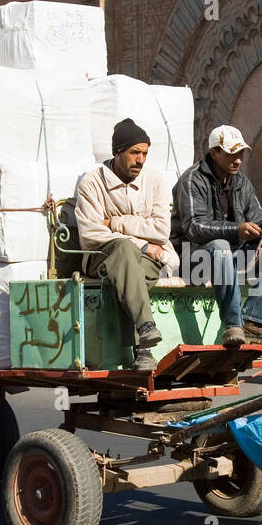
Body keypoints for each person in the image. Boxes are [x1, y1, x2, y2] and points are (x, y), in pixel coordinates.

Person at [172, 125, 262, 348]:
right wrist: (236, 230)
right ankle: (233, 324)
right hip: (193, 260)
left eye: (240, 154)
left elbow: (257, 220)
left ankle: (254, 321)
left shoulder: (241, 182)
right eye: (231, 154)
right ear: (214, 152)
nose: (238, 160)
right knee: (220, 246)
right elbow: (194, 227)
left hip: (230, 257)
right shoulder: (192, 179)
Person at [74, 119, 179, 372]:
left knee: (126, 267)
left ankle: (143, 349)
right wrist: (141, 245)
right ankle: (145, 331)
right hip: (102, 257)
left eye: (144, 153)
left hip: (148, 261)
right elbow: (90, 233)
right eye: (134, 153)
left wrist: (117, 222)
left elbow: (161, 230)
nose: (141, 160)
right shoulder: (92, 182)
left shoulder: (155, 180)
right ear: (117, 152)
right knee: (123, 251)